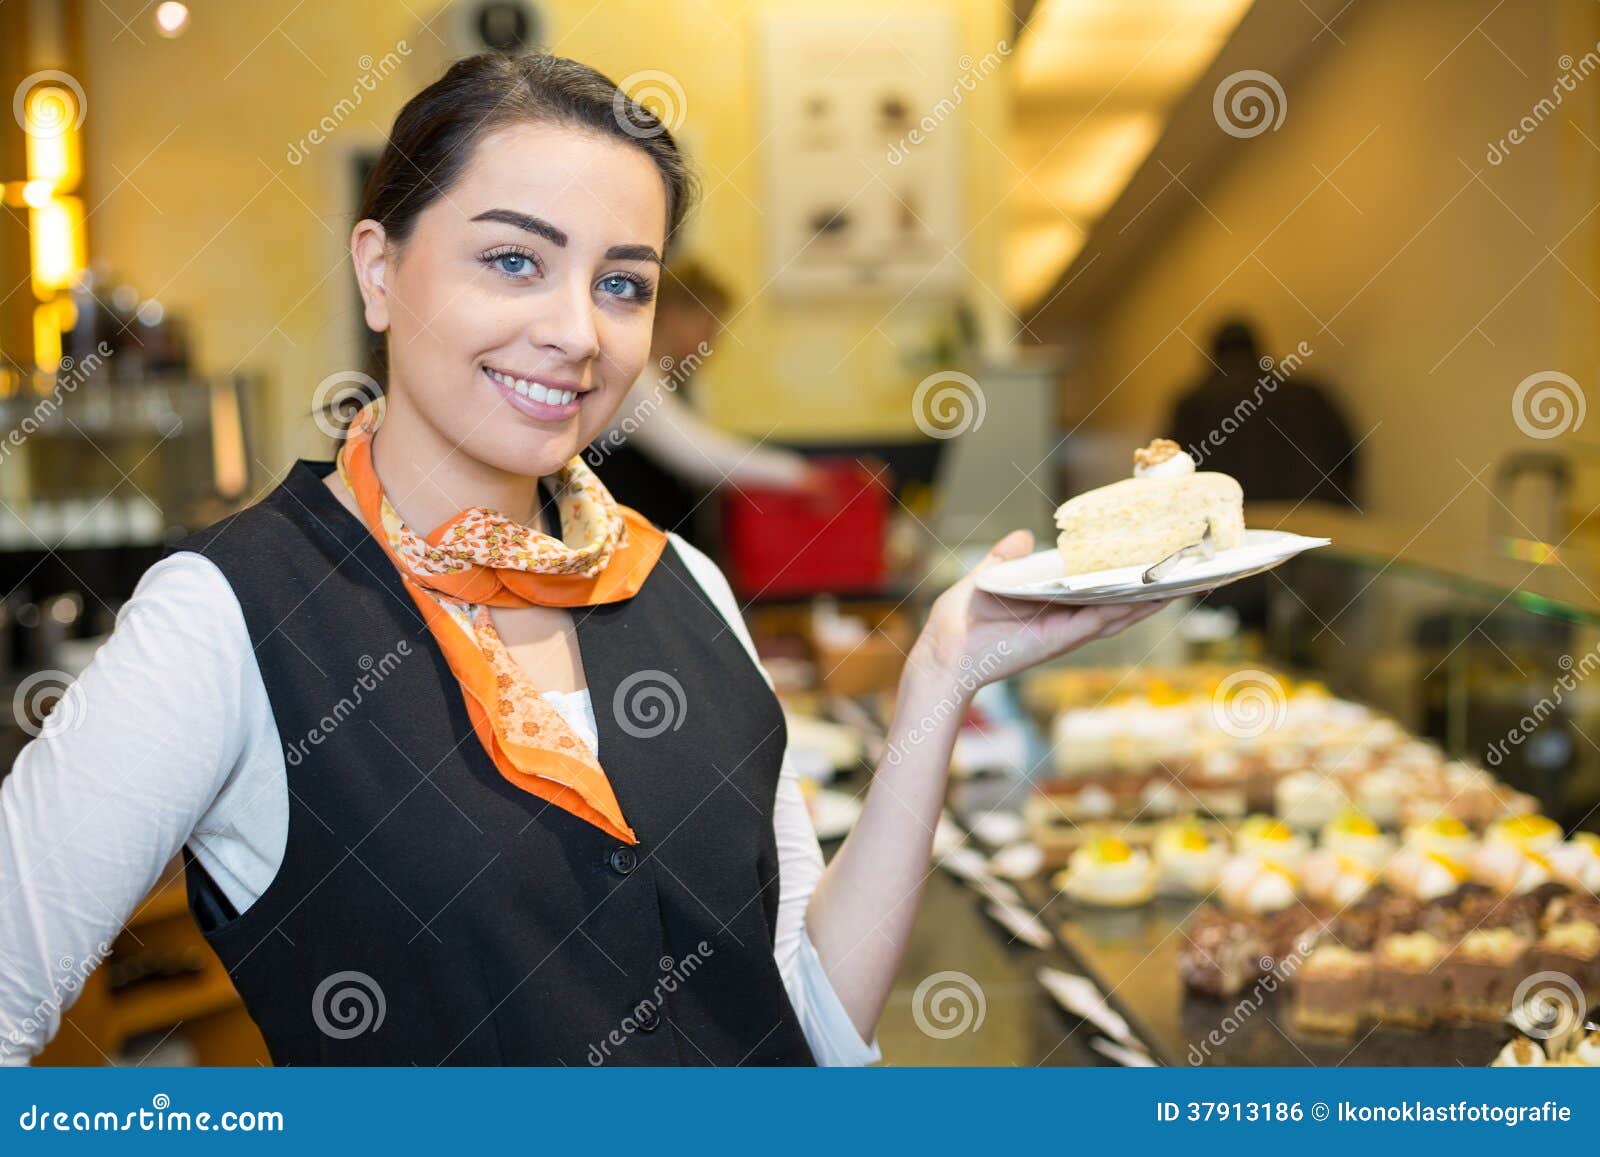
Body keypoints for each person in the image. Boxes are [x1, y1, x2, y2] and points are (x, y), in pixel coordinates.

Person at [0, 52, 1167, 1067]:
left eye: (623, 282)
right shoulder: (231, 614)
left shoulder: (679, 586)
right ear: (379, 268)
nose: (576, 330)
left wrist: (941, 676)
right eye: (513, 260)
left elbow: (804, 1013)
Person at [588, 259, 825, 551]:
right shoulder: (634, 379)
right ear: (674, 316)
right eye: (708, 324)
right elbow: (696, 454)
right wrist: (797, 473)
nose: (713, 341)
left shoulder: (680, 383)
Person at [1168, 318, 1360, 509]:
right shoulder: (1307, 393)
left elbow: (1173, 474)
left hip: (1234, 521)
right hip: (1316, 514)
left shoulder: (1192, 405)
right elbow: (1347, 453)